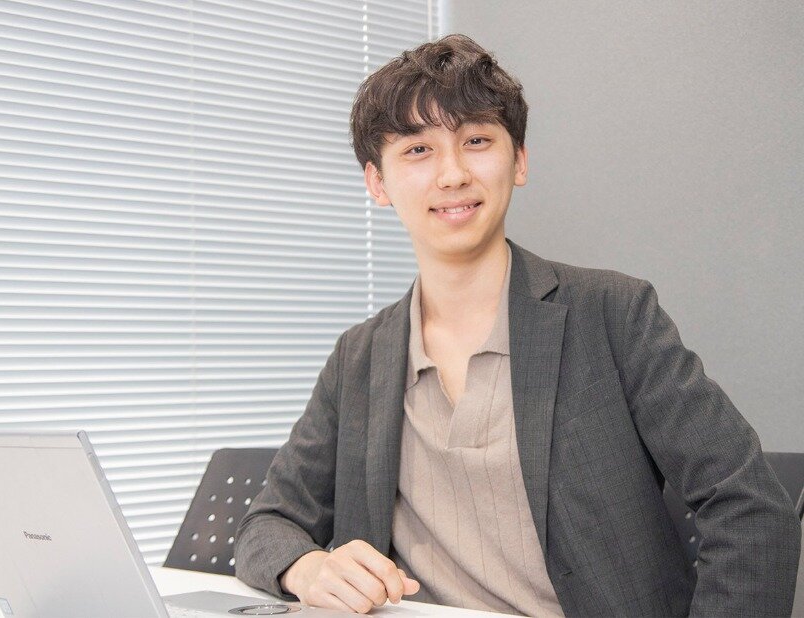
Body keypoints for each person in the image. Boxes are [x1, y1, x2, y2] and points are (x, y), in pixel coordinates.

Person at [234, 34, 801, 616]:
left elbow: (751, 506)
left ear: (519, 160)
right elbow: (267, 524)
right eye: (418, 150)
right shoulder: (360, 357)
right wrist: (308, 567)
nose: (452, 174)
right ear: (377, 182)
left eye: (477, 141)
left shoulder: (613, 314)